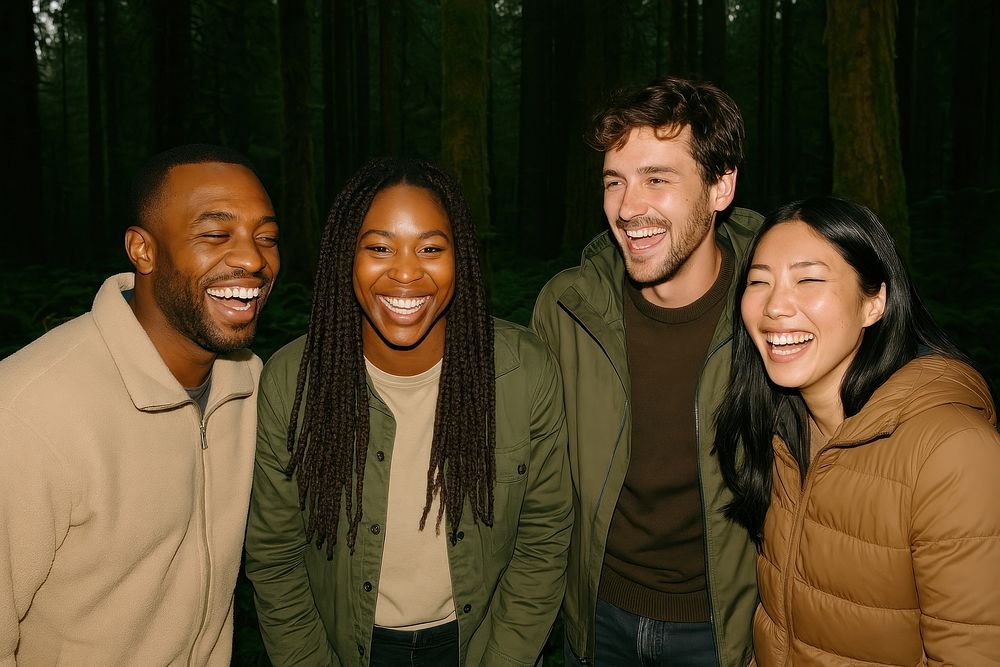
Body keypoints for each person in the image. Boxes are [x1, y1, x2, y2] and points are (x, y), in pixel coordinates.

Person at [245, 157, 572, 666]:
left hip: (479, 645)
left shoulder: (523, 372)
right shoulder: (293, 382)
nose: (404, 271)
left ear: (459, 258)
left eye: (430, 249)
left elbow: (544, 540)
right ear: (344, 258)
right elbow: (275, 557)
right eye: (378, 248)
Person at [0, 144, 280, 665]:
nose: (252, 259)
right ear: (142, 250)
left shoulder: (251, 385)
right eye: (216, 235)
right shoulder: (25, 415)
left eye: (266, 237)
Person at [532, 76, 759, 666]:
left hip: (726, 630)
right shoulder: (566, 310)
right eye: (615, 182)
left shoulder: (779, 308)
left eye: (657, 179)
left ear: (720, 186)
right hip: (595, 621)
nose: (628, 207)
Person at [715, 196, 1000, 665]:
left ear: (875, 302)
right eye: (758, 282)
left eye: (808, 280)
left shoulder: (953, 453)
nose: (775, 306)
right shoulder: (785, 438)